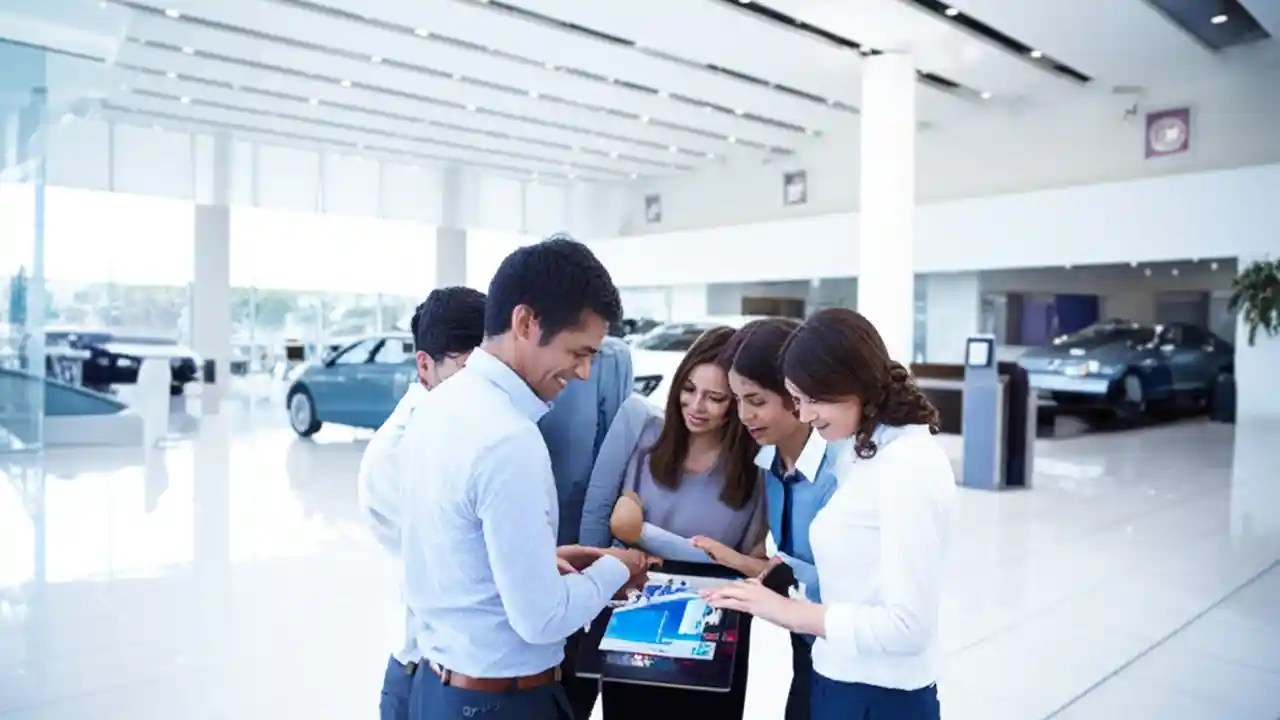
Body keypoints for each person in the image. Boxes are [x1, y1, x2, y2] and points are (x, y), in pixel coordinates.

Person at [398, 237, 651, 720]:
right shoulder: (509, 439)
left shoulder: (439, 406)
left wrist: (543, 559)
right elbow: (543, 618)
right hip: (500, 701)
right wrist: (617, 567)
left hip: (439, 689)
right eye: (579, 352)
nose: (583, 373)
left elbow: (455, 549)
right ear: (525, 322)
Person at [703, 309, 956, 720]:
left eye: (811, 400)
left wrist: (789, 612)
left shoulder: (908, 465)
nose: (804, 416)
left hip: (879, 692)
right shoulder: (864, 452)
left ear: (850, 381)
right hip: (838, 674)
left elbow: (909, 627)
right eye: (799, 401)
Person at [581, 326, 765, 720]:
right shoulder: (641, 427)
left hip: (712, 623)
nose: (696, 405)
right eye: (689, 389)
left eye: (715, 398)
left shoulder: (756, 465)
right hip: (636, 609)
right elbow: (599, 517)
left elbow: (749, 564)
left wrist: (645, 535)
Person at [691, 318, 841, 720]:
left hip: (847, 650)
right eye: (738, 400)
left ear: (795, 394)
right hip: (806, 644)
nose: (744, 415)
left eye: (756, 401)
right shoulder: (769, 464)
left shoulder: (840, 470)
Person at [356, 287, 486, 720]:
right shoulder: (400, 448)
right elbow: (445, 556)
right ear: (425, 365)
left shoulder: (469, 427)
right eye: (467, 369)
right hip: (423, 668)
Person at [538, 334, 633, 720]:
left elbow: (613, 467)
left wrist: (602, 566)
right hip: (511, 579)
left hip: (583, 567)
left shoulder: (608, 359)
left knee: (571, 696)